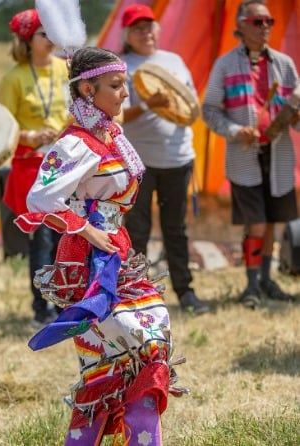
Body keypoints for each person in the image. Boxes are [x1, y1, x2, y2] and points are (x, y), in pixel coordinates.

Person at [15, 47, 187, 445]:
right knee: (141, 344)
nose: (125, 93)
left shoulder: (108, 135)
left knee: (113, 364)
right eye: (116, 85)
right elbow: (39, 198)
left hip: (118, 254)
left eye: (123, 84)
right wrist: (88, 232)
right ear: (88, 91)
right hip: (91, 264)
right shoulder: (77, 143)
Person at [202, 0, 300, 308]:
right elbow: (209, 110)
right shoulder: (225, 64)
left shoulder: (284, 64)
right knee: (256, 223)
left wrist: (294, 116)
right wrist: (234, 131)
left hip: (278, 154)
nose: (266, 27)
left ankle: (267, 281)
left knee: (273, 222)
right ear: (241, 25)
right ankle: (252, 283)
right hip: (244, 156)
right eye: (258, 22)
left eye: (269, 21)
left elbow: (296, 104)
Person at [119, 4, 211, 314]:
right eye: (137, 28)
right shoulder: (122, 66)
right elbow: (119, 116)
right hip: (140, 161)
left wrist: (170, 104)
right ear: (127, 35)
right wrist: (148, 104)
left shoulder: (174, 61)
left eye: (149, 27)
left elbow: (190, 105)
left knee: (176, 229)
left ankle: (185, 292)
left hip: (178, 157)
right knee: (138, 229)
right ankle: (138, 295)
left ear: (158, 30)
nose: (145, 33)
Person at [0, 9, 69, 327]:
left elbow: (78, 108)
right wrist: (29, 135)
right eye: (44, 34)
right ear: (28, 41)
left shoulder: (65, 69)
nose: (51, 39)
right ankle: (43, 307)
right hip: (31, 166)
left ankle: (66, 302)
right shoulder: (14, 78)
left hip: (65, 163)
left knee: (66, 236)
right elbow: (0, 126)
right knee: (41, 239)